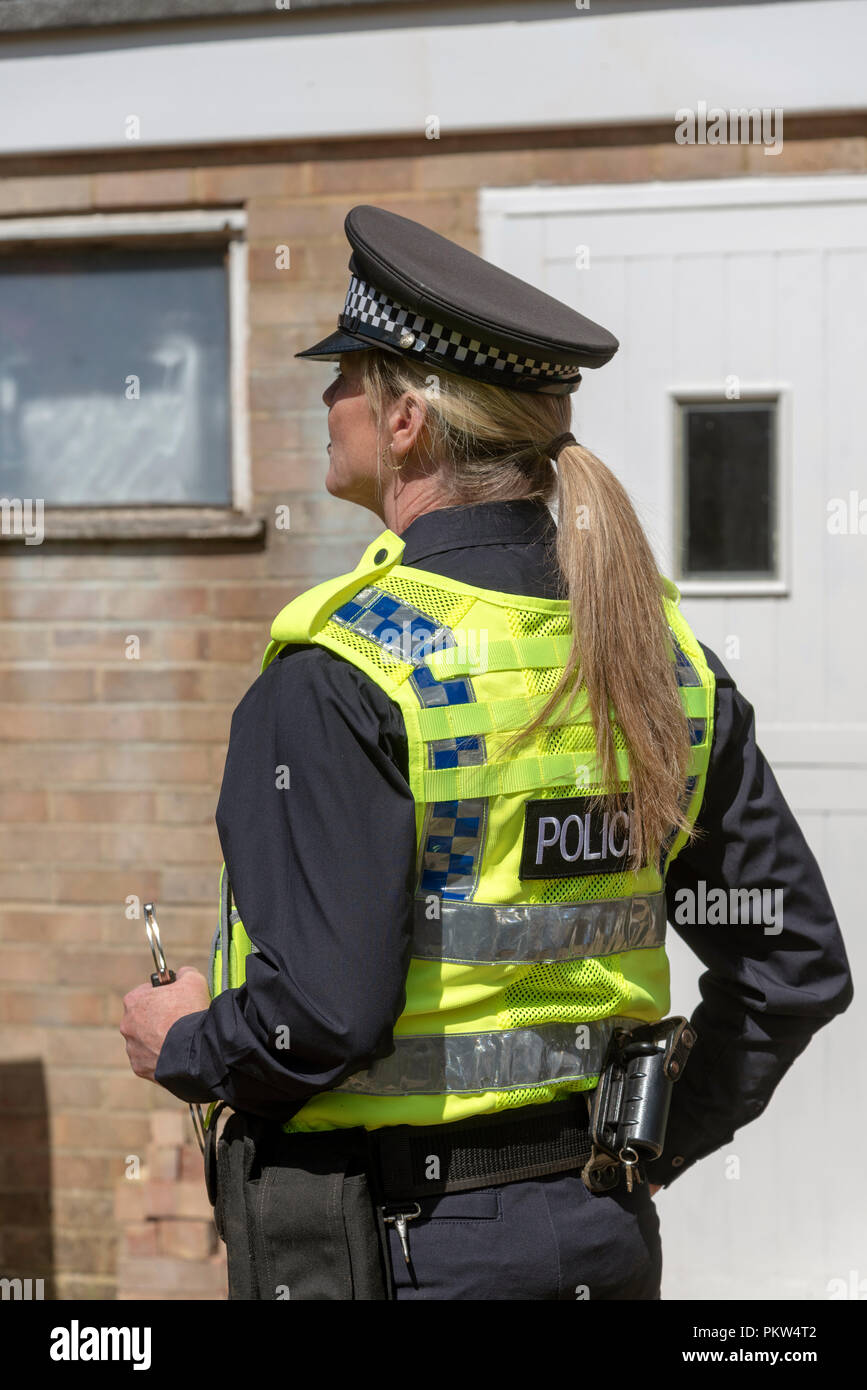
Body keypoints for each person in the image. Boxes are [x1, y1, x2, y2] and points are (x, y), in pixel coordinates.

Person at [120, 204, 853, 1301]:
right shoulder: (665, 661)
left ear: (405, 415)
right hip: (599, 1242)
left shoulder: (345, 670)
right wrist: (641, 1149)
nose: (327, 401)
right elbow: (793, 970)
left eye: (345, 375)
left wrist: (187, 1039)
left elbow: (322, 1015)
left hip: (398, 1252)